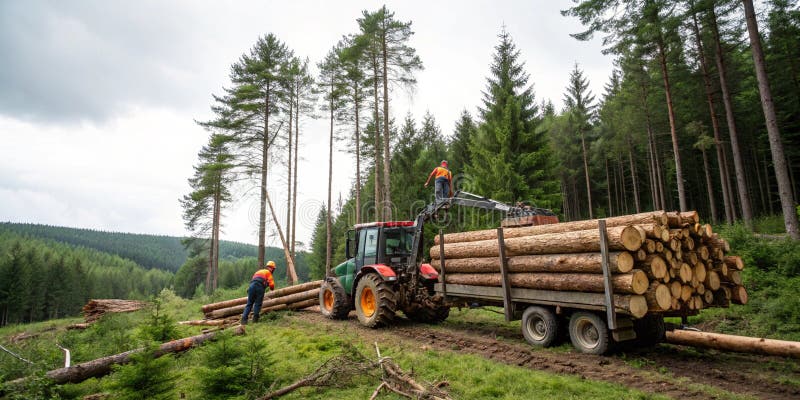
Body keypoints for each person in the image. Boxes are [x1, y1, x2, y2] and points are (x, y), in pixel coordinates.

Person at [241, 261, 276, 325]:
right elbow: (272, 284)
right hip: (259, 287)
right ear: (271, 268)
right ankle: (255, 321)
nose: (273, 270)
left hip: (251, 287)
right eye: (273, 269)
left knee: (249, 304)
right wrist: (272, 289)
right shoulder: (268, 273)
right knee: (258, 303)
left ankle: (243, 320)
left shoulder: (258, 272)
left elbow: (253, 281)